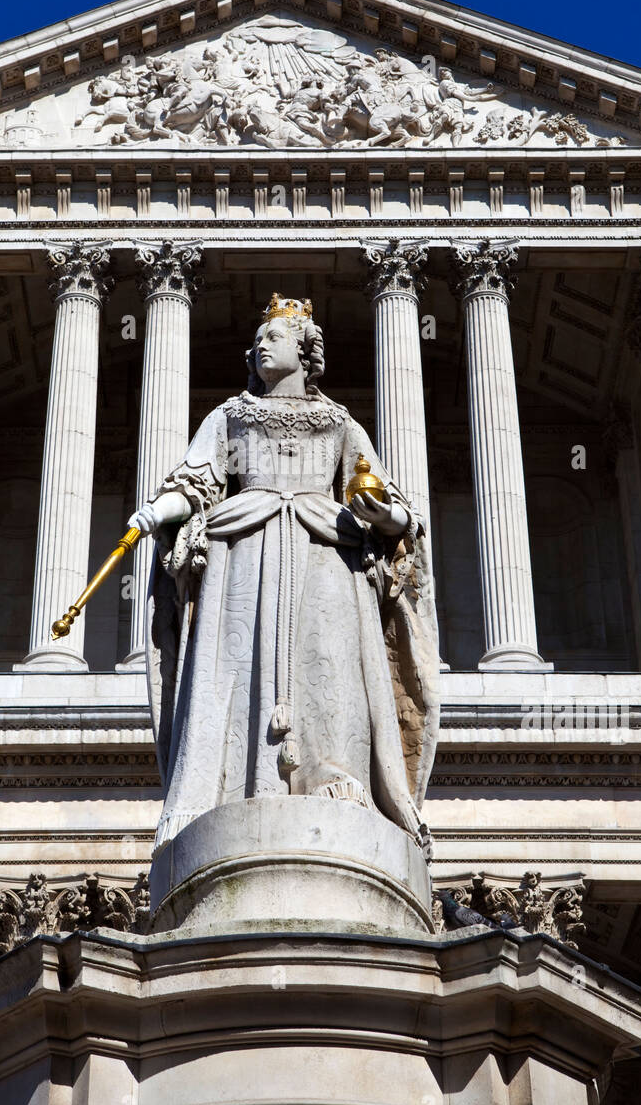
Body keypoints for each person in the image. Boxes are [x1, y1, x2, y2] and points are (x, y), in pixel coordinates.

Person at [130, 295, 439, 851]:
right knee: (233, 663)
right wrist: (158, 511)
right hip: (242, 549)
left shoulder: (339, 423)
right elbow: (193, 483)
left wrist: (383, 515)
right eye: (256, 341)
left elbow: (392, 508)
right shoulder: (229, 416)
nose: (259, 346)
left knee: (331, 665)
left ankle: (337, 778)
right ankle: (231, 787)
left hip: (328, 556)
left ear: (304, 348)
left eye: (272, 337)